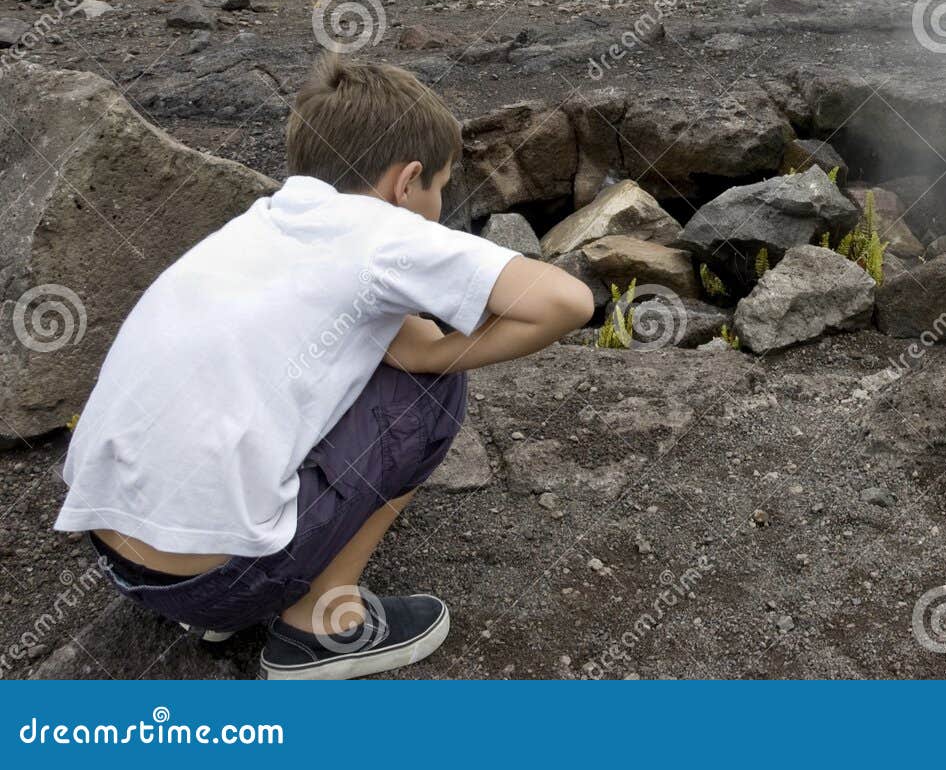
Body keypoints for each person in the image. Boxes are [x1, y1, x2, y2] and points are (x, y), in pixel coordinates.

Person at [55, 54, 594, 680]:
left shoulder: (257, 223)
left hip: (120, 563)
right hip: (217, 579)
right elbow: (566, 302)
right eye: (440, 187)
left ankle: (222, 591)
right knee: (430, 396)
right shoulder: (384, 232)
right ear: (406, 180)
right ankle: (318, 626)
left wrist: (412, 345)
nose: (439, 204)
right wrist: (444, 357)